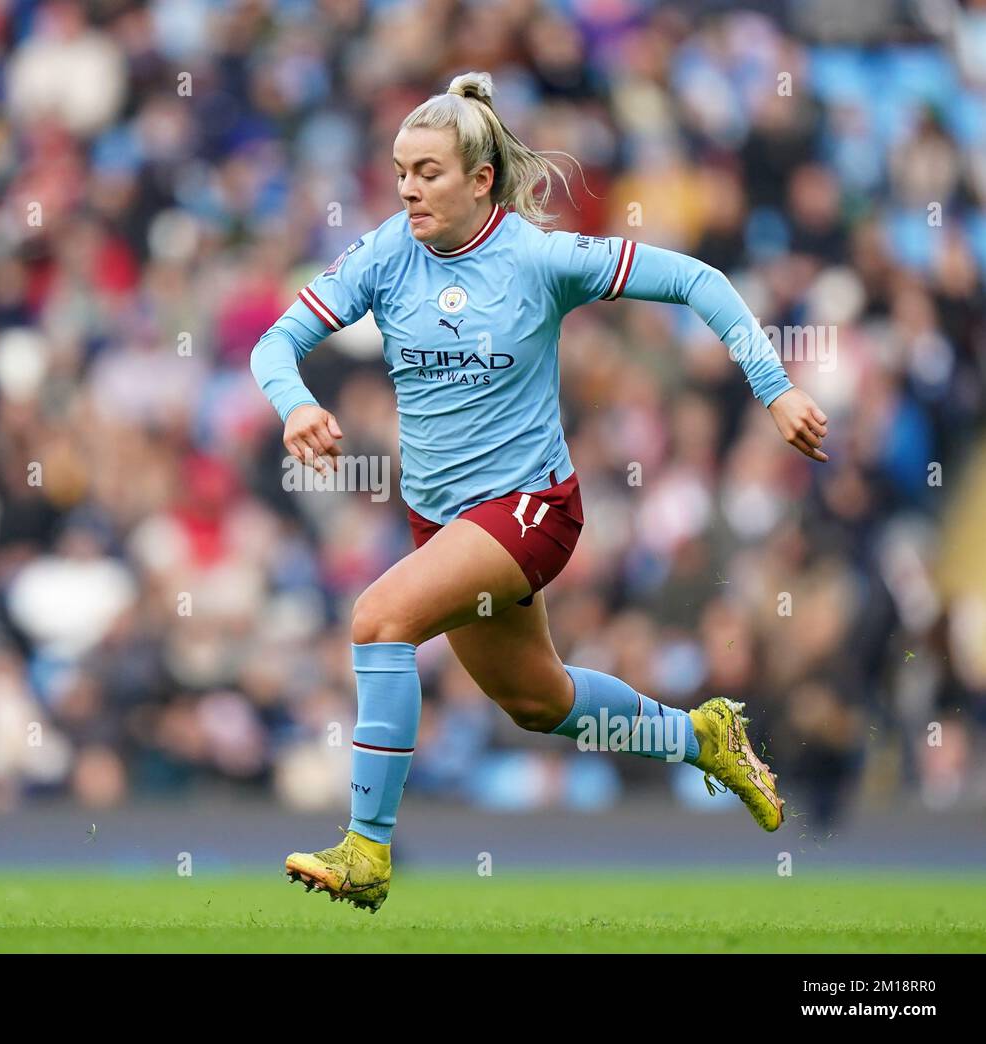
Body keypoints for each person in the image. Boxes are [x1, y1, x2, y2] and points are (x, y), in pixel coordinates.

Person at [249, 71, 829, 913]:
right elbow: (276, 342)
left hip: (532, 510)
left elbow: (698, 280)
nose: (407, 188)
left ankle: (368, 849)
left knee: (377, 619)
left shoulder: (540, 257)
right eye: (401, 170)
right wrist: (296, 402)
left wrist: (775, 388)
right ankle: (701, 736)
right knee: (538, 701)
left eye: (428, 172)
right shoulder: (383, 253)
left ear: (480, 180)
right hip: (444, 520)